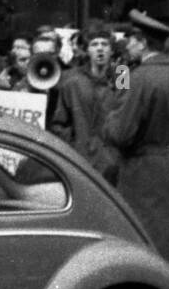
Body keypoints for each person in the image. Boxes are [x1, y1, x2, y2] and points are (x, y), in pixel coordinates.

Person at [102, 11, 169, 274]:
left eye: (131, 40)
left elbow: (121, 133)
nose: (127, 45)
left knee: (144, 240)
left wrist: (109, 119)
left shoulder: (139, 78)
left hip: (143, 170)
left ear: (142, 43)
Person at [48, 27, 118, 183]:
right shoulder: (72, 80)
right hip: (82, 160)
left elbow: (126, 109)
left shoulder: (121, 75)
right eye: (94, 44)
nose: (100, 48)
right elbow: (59, 124)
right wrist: (76, 146)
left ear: (112, 50)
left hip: (113, 161)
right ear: (87, 50)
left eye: (105, 44)